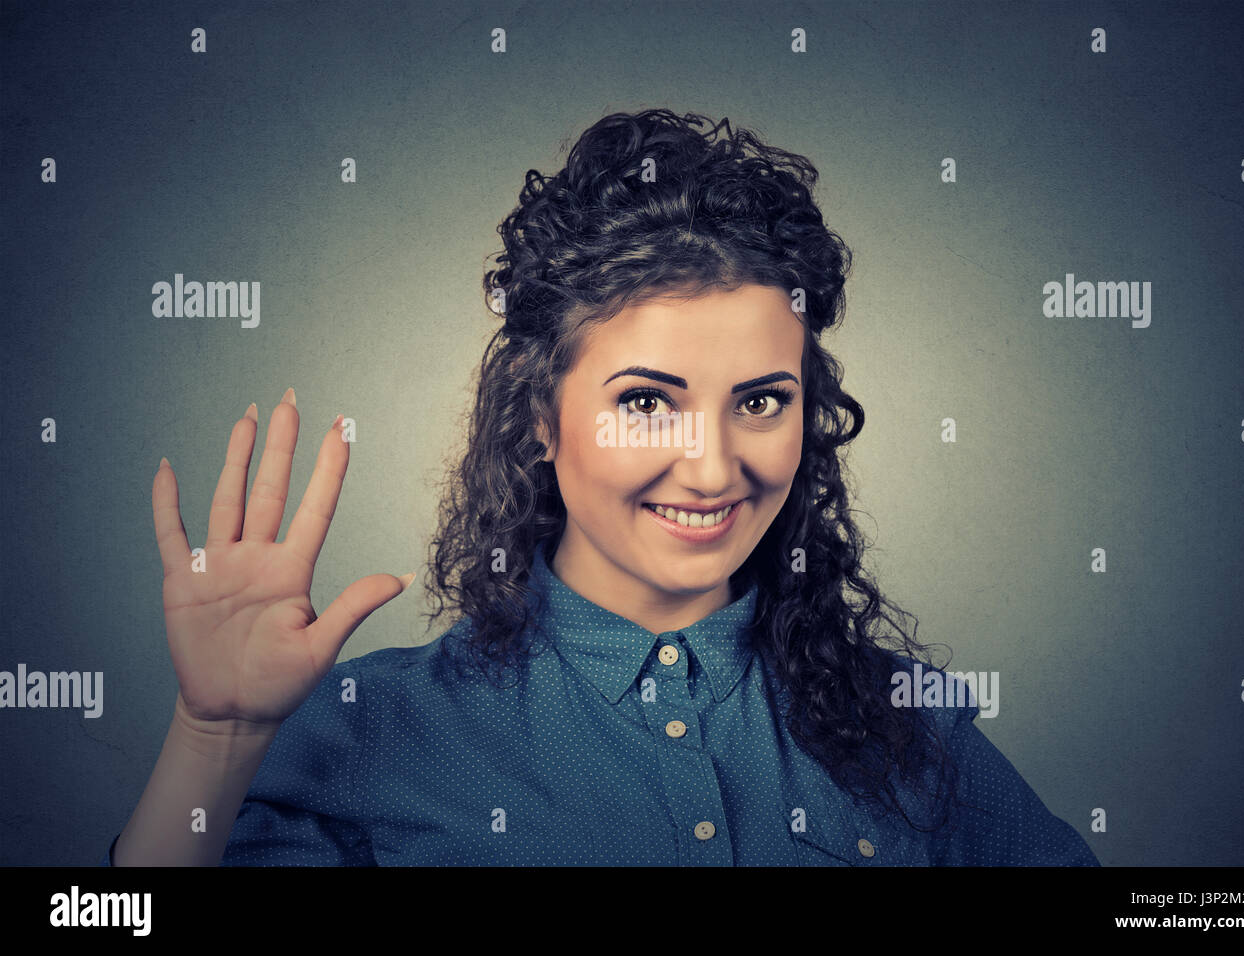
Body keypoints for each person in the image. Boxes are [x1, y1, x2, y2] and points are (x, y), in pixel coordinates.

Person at [104, 109, 1098, 866]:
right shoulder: (375, 730)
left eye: (759, 400)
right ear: (540, 415)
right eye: (647, 401)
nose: (712, 467)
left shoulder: (905, 721)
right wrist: (214, 738)